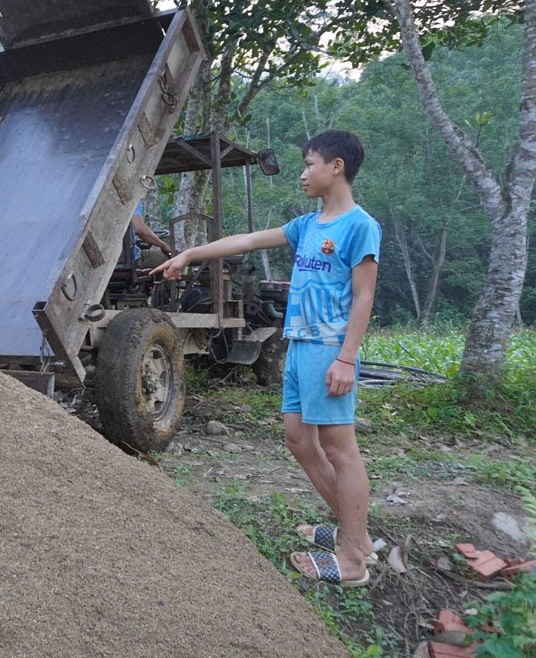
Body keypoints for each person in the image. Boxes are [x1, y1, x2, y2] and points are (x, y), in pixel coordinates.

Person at [151, 130, 381, 586]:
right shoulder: (307, 225)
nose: (303, 173)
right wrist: (191, 253)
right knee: (298, 439)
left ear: (336, 167)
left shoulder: (359, 225)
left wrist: (347, 359)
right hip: (298, 345)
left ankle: (354, 559)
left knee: (340, 449)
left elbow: (364, 295)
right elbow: (248, 241)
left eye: (310, 163)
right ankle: (355, 533)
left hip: (327, 347)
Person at [130, 202, 174, 269]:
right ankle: (167, 278)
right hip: (129, 259)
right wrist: (163, 245)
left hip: (112, 259)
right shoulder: (132, 201)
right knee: (170, 259)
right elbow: (139, 230)